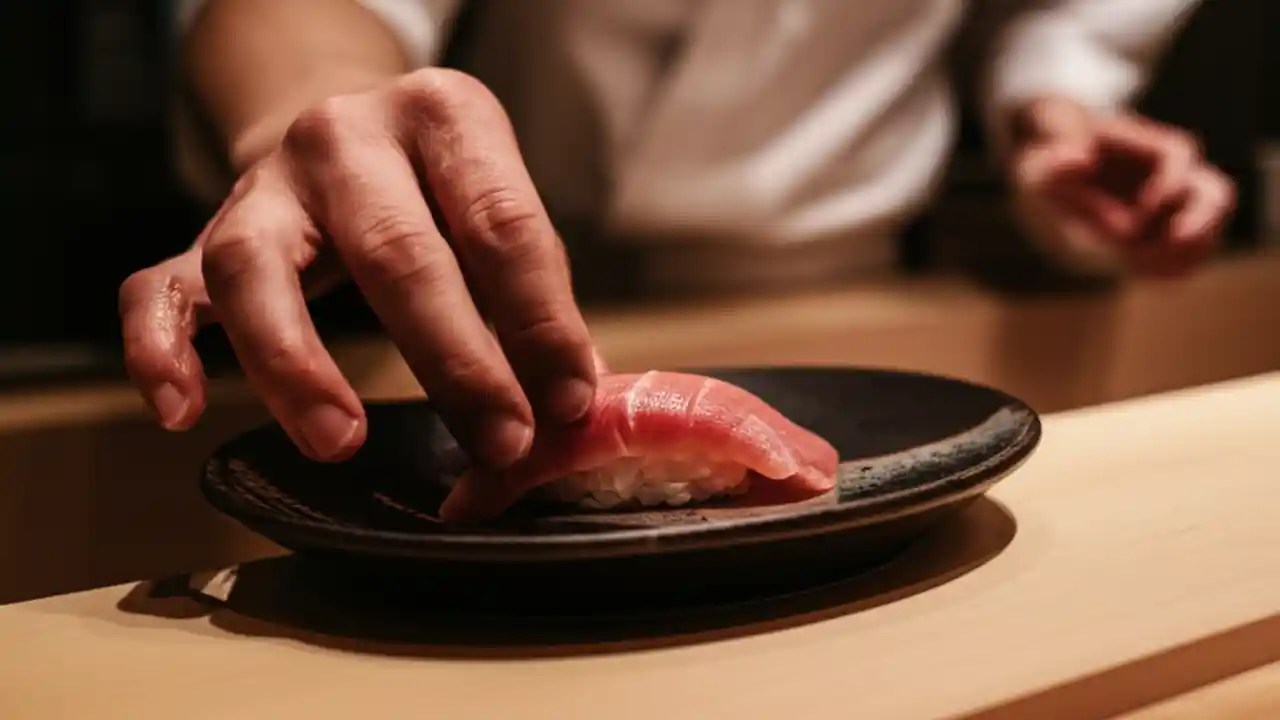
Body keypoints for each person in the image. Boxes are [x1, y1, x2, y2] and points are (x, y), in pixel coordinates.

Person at [120, 0, 1235, 469]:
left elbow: (1062, 18)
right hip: (454, 314)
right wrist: (309, 123)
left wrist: (1056, 106)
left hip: (846, 308)